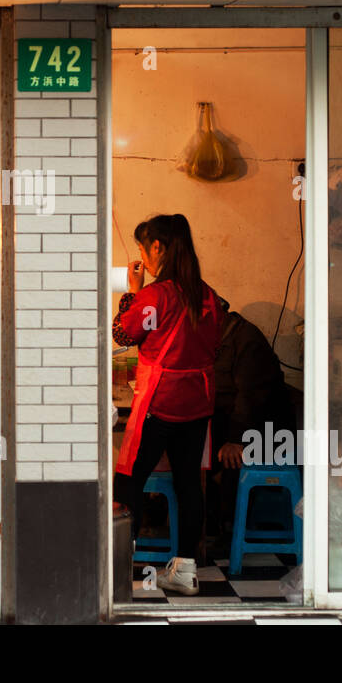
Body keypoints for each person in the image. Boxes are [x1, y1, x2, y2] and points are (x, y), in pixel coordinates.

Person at [112, 213, 225, 595]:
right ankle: (185, 570)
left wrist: (131, 290)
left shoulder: (156, 295)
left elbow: (122, 332)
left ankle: (118, 568)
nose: (143, 253)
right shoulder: (209, 296)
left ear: (156, 248)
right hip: (198, 402)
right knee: (188, 484)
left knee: (128, 483)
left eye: (143, 247)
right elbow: (213, 345)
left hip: (159, 401)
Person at [206, 301, 299, 557]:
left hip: (266, 433)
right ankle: (204, 523)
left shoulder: (246, 341)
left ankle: (230, 529)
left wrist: (237, 439)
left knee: (230, 457)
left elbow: (251, 397)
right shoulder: (216, 338)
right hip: (234, 424)